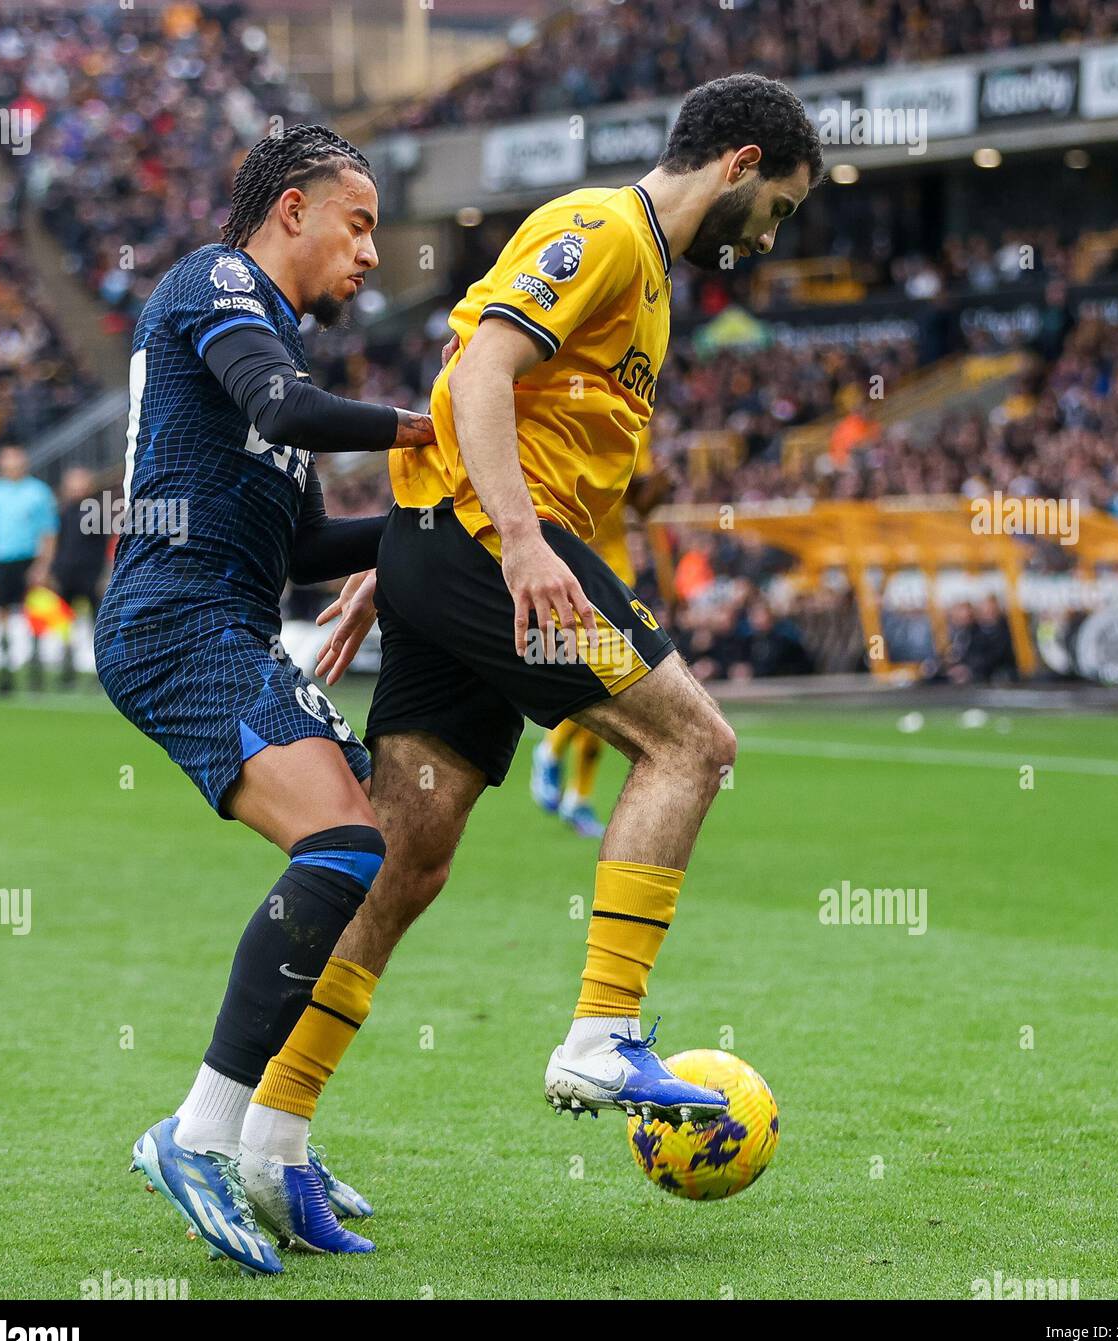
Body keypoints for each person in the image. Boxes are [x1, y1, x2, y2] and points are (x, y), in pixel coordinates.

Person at [245, 75, 822, 1231]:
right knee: (693, 745)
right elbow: (481, 372)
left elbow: (502, 404)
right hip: (485, 551)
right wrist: (500, 540)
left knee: (402, 861)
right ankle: (605, 1031)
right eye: (783, 207)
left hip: (455, 552)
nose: (773, 235)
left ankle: (268, 1137)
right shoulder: (600, 228)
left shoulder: (647, 284)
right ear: (743, 164)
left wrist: (407, 554)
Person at [96, 124, 434, 1274]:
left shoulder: (273, 339)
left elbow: (297, 548)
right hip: (175, 621)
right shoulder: (219, 280)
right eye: (361, 223)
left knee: (363, 853)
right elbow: (287, 412)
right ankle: (195, 1135)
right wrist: (425, 434)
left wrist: (432, 531)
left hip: (230, 619)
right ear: (292, 209)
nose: (373, 255)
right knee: (343, 847)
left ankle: (268, 1143)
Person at [530, 444, 672, 837]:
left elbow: (637, 507)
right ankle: (553, 752)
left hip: (616, 573)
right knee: (601, 685)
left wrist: (656, 489)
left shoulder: (637, 419)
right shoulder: (566, 411)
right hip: (570, 570)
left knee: (613, 687)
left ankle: (577, 795)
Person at [0, 444, 57, 695]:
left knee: (34, 613)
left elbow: (49, 533)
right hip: (0, 560)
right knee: (2, 614)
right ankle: (5, 670)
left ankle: (36, 668)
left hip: (28, 558)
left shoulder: (38, 492)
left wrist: (43, 565)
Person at [49, 466, 109, 687]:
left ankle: (99, 670)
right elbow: (58, 545)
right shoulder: (63, 513)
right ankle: (68, 667)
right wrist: (54, 572)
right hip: (66, 575)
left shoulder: (96, 512)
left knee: (96, 625)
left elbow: (104, 548)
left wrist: (103, 576)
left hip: (90, 576)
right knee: (64, 624)